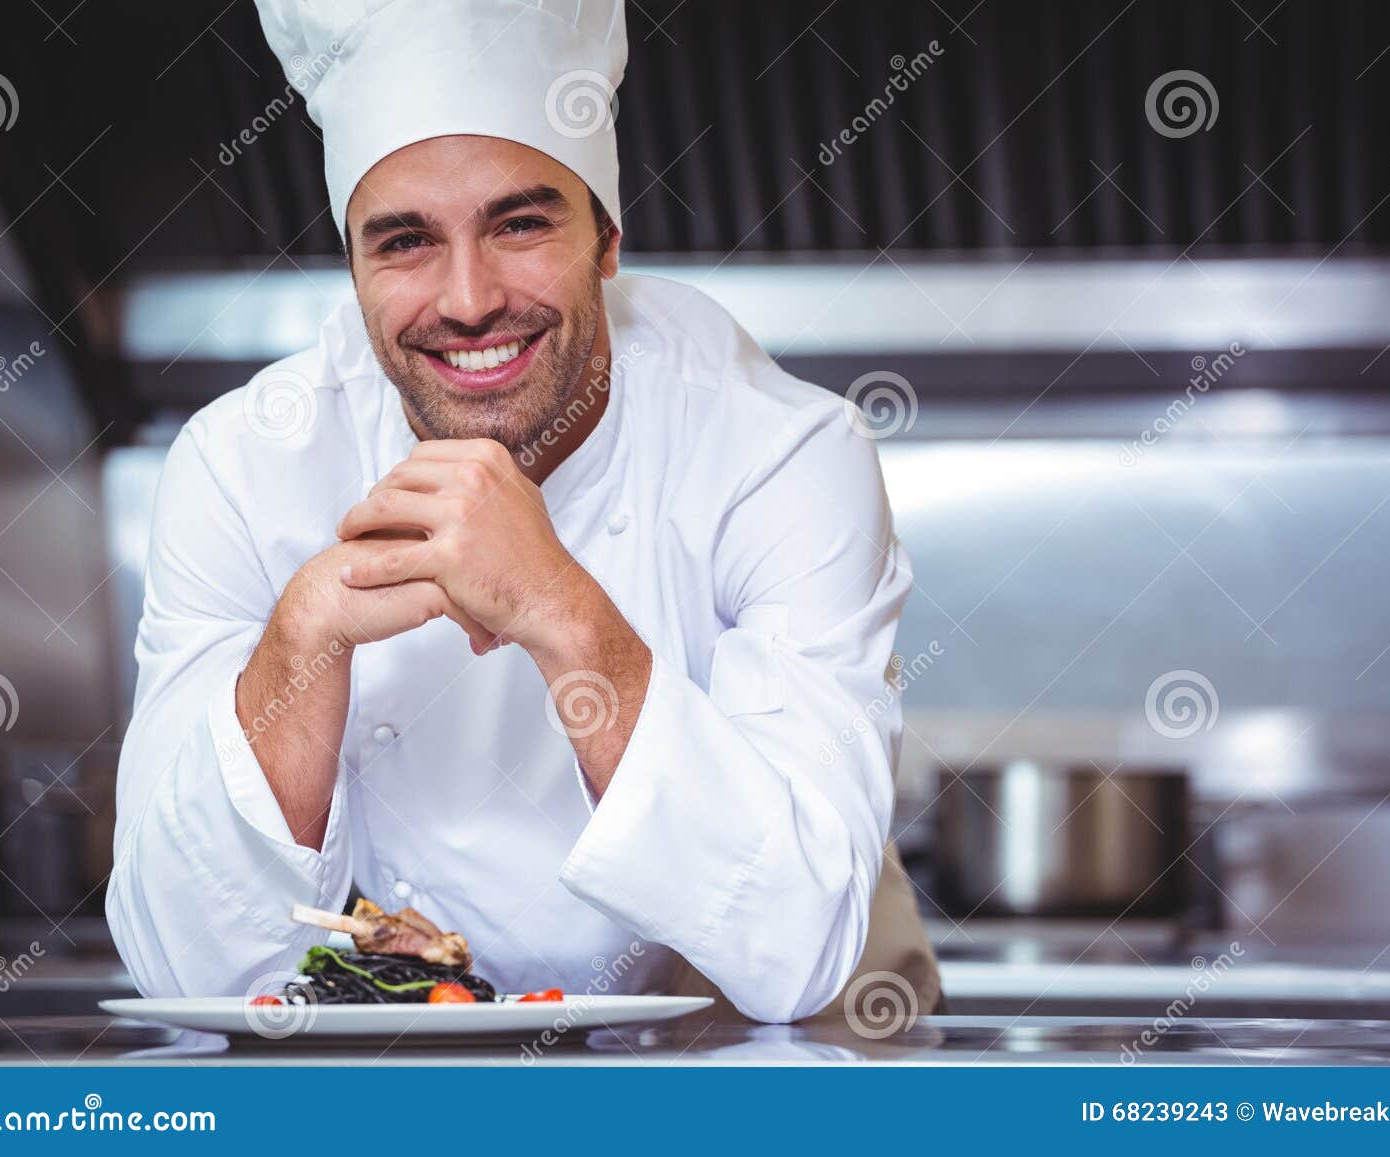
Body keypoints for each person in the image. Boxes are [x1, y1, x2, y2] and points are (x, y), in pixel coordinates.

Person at [107, 0, 939, 1023]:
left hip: (740, 1069)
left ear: (606, 240)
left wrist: (556, 604)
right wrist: (304, 639)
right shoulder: (245, 464)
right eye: (405, 240)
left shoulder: (777, 451)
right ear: (355, 272)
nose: (466, 299)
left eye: (520, 222)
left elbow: (797, 941)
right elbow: (182, 966)